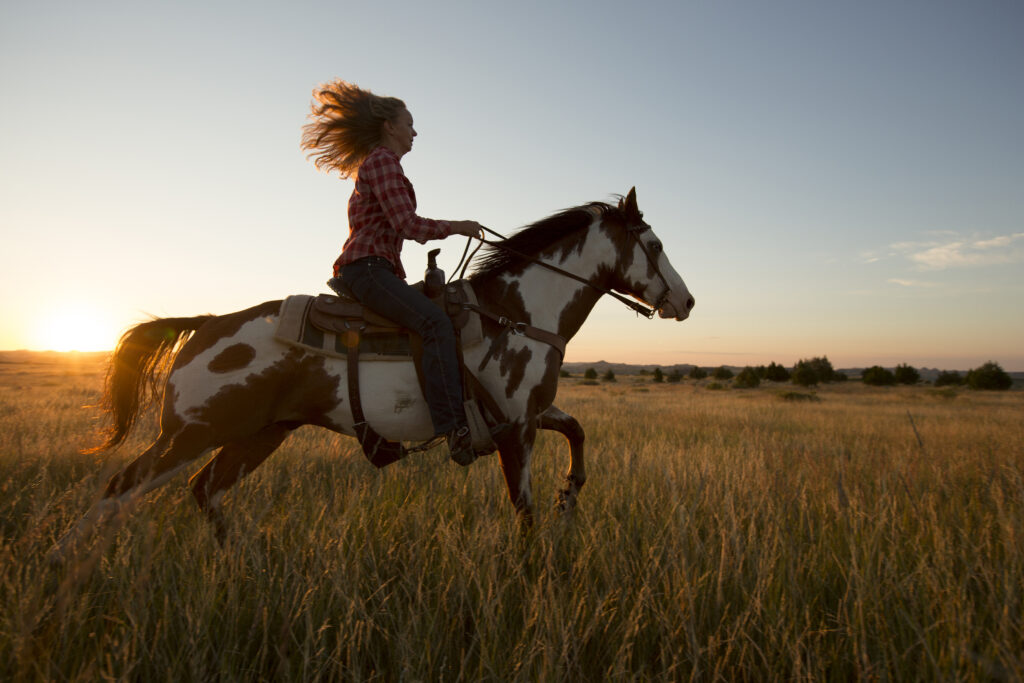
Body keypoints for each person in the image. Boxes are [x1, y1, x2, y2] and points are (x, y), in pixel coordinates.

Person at [301, 80, 482, 465]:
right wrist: (459, 226)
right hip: (366, 269)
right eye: (410, 124)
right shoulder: (383, 161)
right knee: (435, 324)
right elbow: (408, 225)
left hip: (375, 269)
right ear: (390, 126)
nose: (415, 132)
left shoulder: (383, 163)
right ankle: (455, 427)